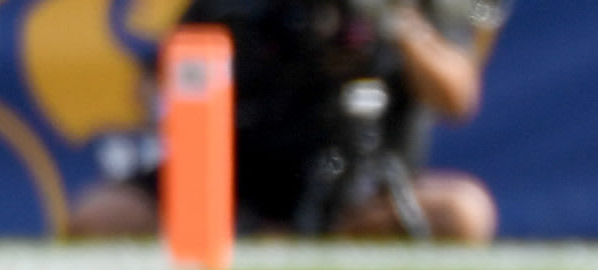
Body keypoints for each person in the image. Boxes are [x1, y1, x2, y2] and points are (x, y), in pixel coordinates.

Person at [70, 0, 504, 242]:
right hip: (234, 186)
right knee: (99, 218)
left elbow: (457, 97)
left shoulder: (403, 8)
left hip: (357, 190)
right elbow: (162, 78)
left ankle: (323, 239)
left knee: (463, 212)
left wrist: (398, 26)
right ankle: (256, 234)